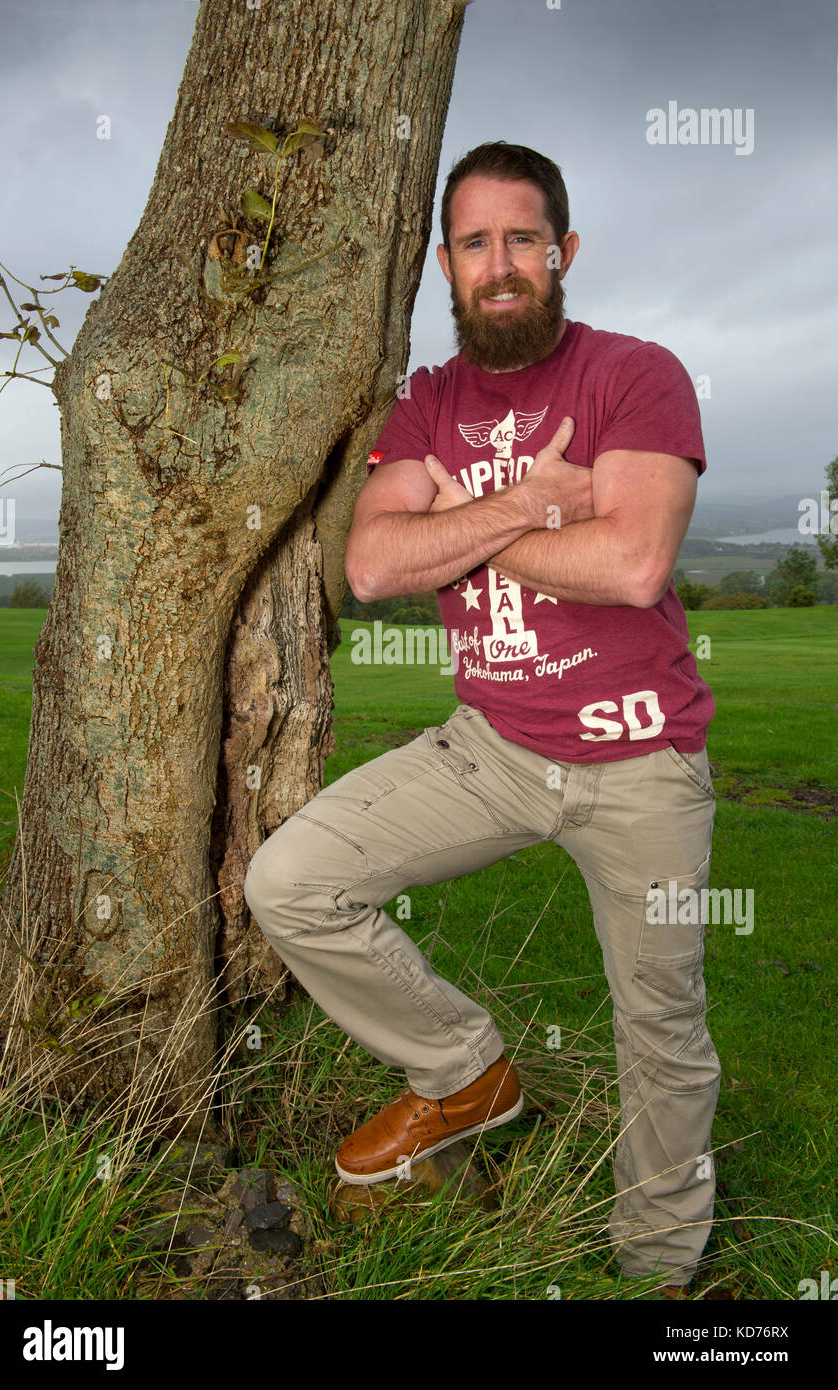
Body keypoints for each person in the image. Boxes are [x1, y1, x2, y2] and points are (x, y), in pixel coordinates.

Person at [244, 141, 720, 1295]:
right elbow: (368, 562)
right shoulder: (429, 402)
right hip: (491, 747)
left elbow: (632, 559)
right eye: (473, 244)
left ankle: (655, 1269)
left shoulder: (636, 373)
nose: (498, 265)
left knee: (659, 1025)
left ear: (562, 253)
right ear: (444, 265)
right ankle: (464, 1068)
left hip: (640, 754)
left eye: (521, 240)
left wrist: (464, 522)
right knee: (290, 881)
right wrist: (529, 500)